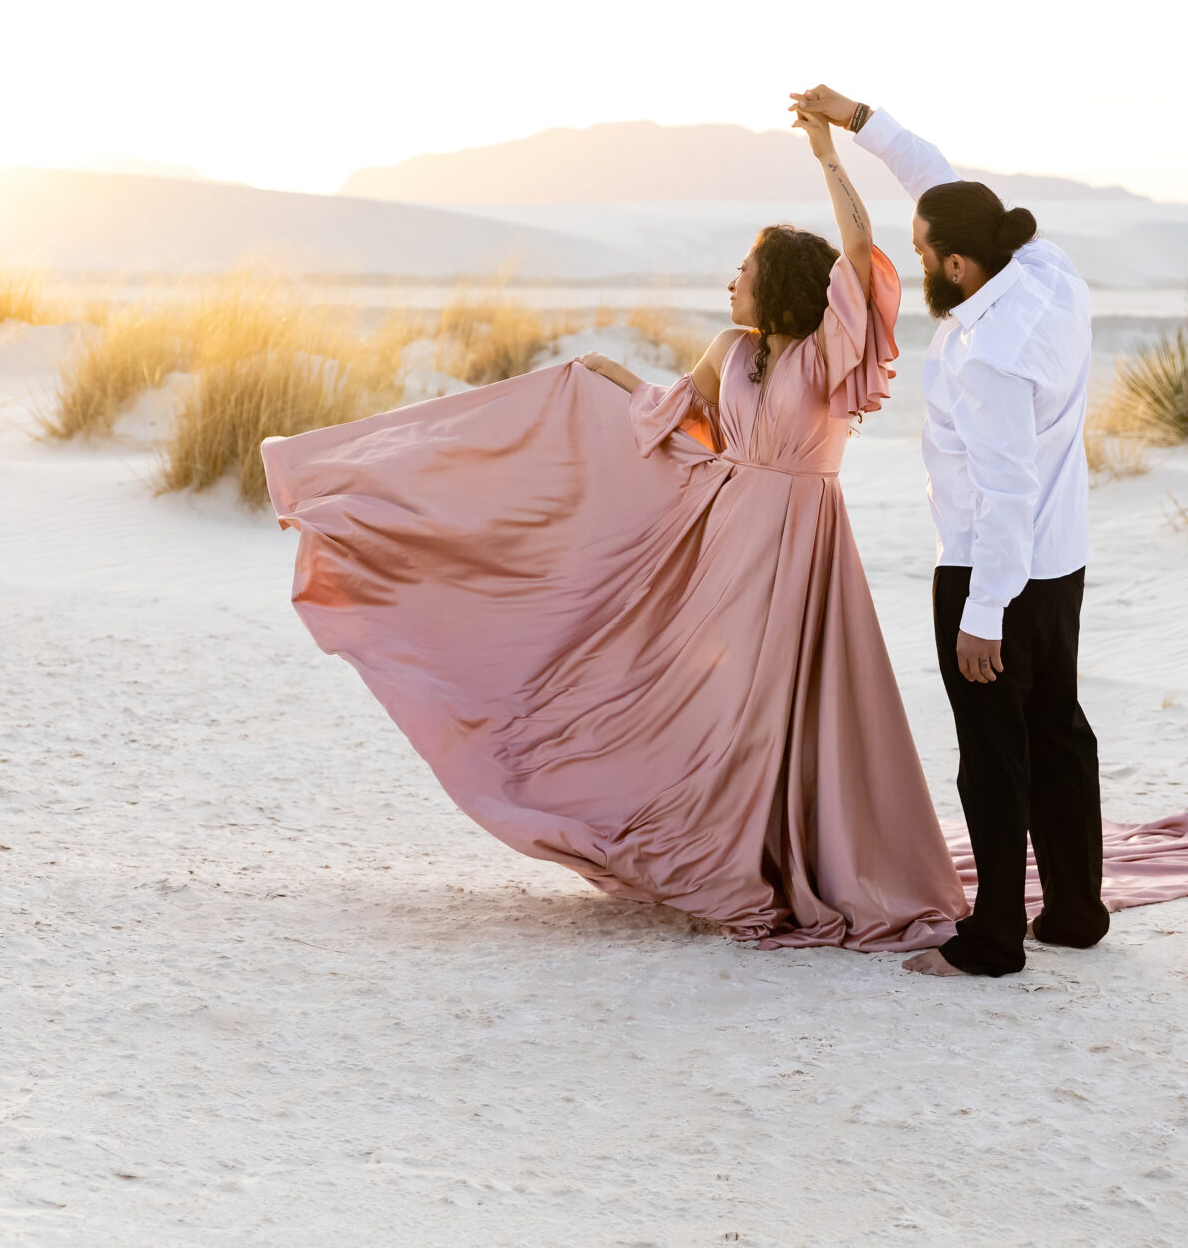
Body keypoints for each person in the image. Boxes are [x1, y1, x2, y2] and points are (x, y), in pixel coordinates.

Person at [259, 109, 967, 951]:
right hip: (726, 543)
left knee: (789, 707)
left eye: (742, 269)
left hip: (804, 543)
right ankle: (726, 848)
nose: (730, 282)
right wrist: (608, 380)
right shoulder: (733, 351)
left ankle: (789, 859)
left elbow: (857, 254)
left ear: (776, 277)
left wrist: (827, 156)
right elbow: (674, 422)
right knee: (720, 704)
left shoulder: (825, 353)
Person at [790, 85, 1112, 977]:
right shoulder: (1048, 271)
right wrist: (859, 122)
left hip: (992, 570)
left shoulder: (990, 359)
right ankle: (1079, 912)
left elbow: (1004, 495)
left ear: (961, 267)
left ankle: (994, 939)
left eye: (926, 252)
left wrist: (982, 615)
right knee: (1059, 732)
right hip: (1062, 562)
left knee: (991, 759)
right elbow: (940, 180)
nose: (918, 256)